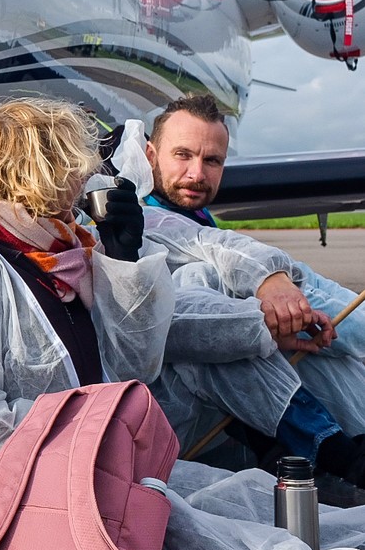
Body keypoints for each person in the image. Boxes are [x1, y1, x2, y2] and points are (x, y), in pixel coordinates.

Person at [0, 97, 365, 550]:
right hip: (0, 490)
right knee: (182, 530)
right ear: (24, 179)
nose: (77, 205)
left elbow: (134, 366)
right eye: (64, 189)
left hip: (89, 462)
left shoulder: (60, 255)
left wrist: (124, 264)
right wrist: (99, 446)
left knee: (238, 494)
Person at [120, 94, 365, 489]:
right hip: (164, 432)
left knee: (312, 338)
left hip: (225, 425)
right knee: (198, 288)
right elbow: (204, 254)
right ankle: (339, 454)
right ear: (150, 155)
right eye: (182, 155)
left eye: (212, 160)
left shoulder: (196, 214)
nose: (197, 173)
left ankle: (331, 455)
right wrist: (270, 287)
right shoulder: (136, 217)